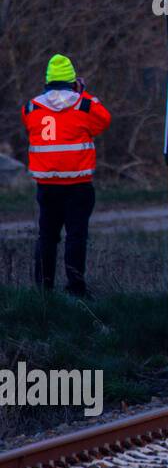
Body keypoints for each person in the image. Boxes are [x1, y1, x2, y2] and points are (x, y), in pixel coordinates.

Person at [20, 54, 111, 296]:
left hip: (46, 185)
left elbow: (31, 126)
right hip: (78, 185)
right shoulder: (85, 105)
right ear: (73, 82)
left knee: (47, 237)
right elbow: (103, 121)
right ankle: (76, 288)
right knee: (76, 236)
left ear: (47, 81)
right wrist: (84, 93)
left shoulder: (31, 107)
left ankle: (43, 289)